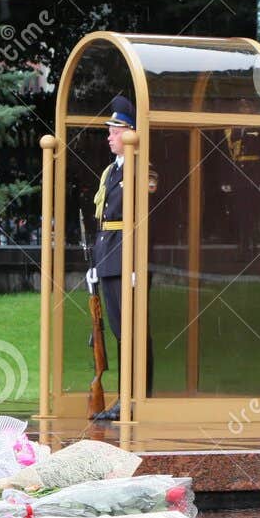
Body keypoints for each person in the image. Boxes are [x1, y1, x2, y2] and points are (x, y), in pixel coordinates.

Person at [87, 95, 152, 421]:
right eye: (110, 131)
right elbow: (105, 220)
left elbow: (148, 218)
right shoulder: (112, 172)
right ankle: (124, 398)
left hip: (129, 258)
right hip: (110, 257)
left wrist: (138, 264)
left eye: (115, 130)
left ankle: (138, 398)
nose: (109, 136)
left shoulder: (142, 169)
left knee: (134, 331)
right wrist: (97, 263)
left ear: (130, 133)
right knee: (118, 330)